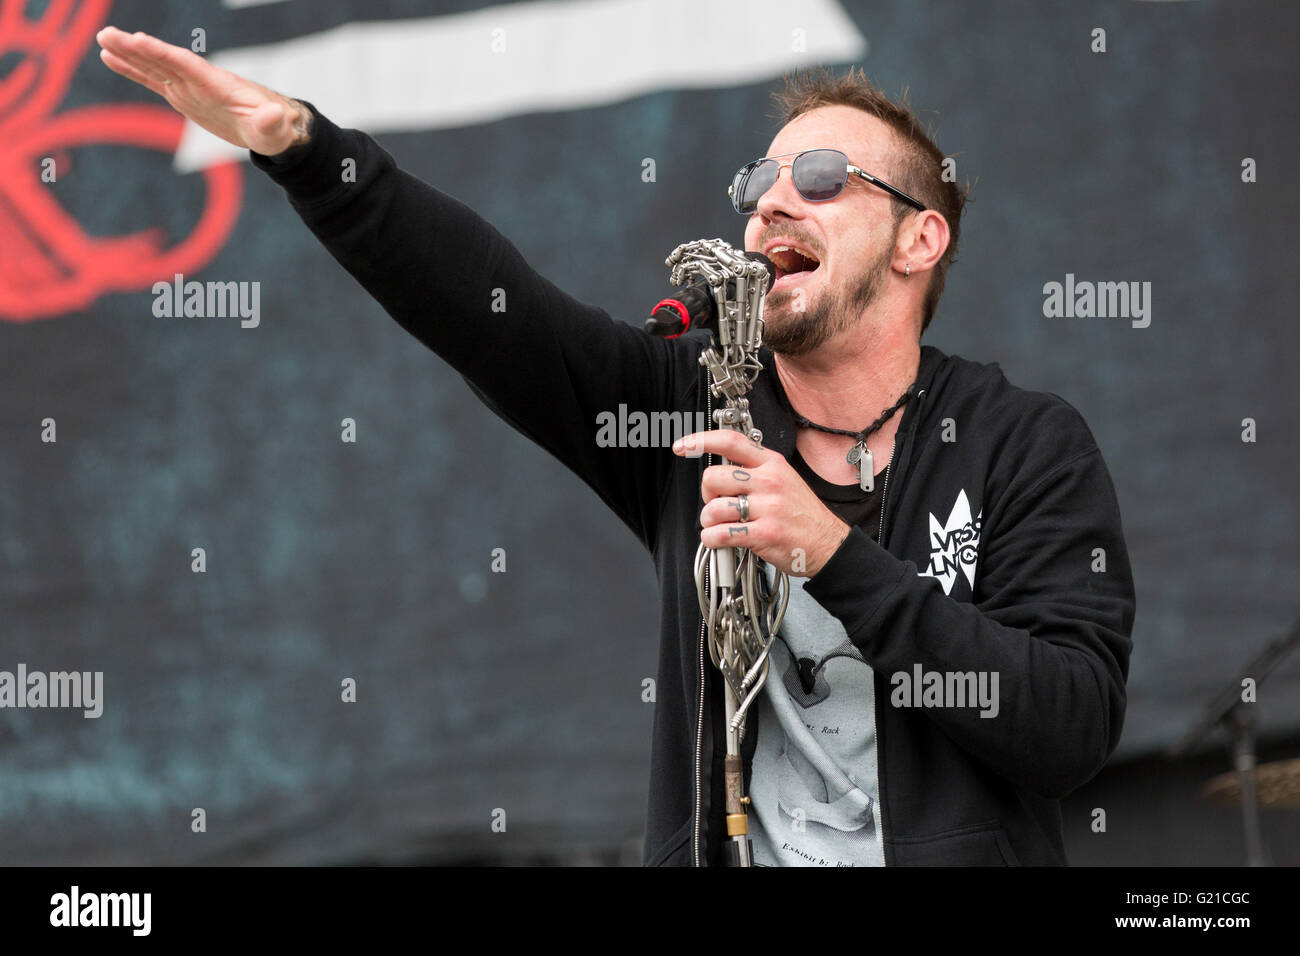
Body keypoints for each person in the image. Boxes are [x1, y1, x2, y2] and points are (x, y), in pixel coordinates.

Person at [97, 26, 1136, 866]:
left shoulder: (1021, 441)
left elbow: (1069, 726)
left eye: (821, 176)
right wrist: (309, 152)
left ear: (920, 237)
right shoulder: (692, 408)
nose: (770, 199)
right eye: (757, 182)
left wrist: (832, 553)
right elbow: (491, 311)